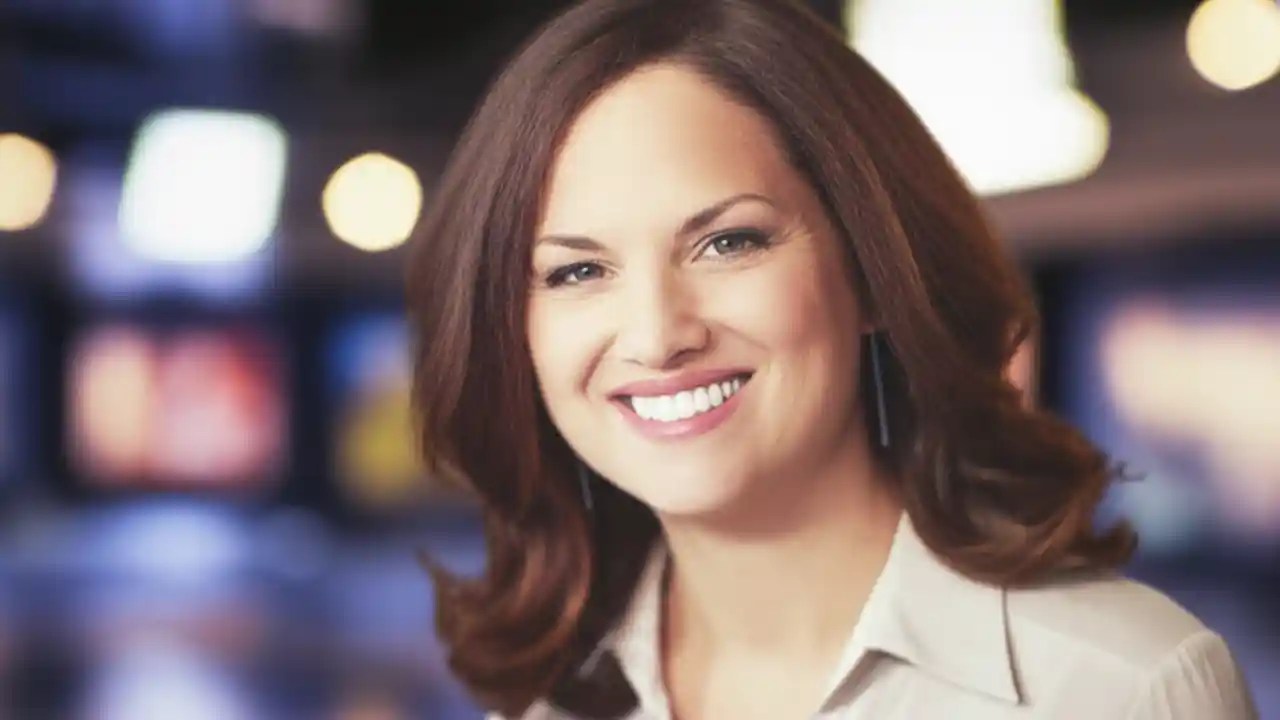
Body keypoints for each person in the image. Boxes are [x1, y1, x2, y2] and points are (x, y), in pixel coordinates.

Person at [404, 0, 1260, 718]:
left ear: (872, 270)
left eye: (727, 242)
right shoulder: (553, 702)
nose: (658, 334)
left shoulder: (1123, 687)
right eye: (578, 271)